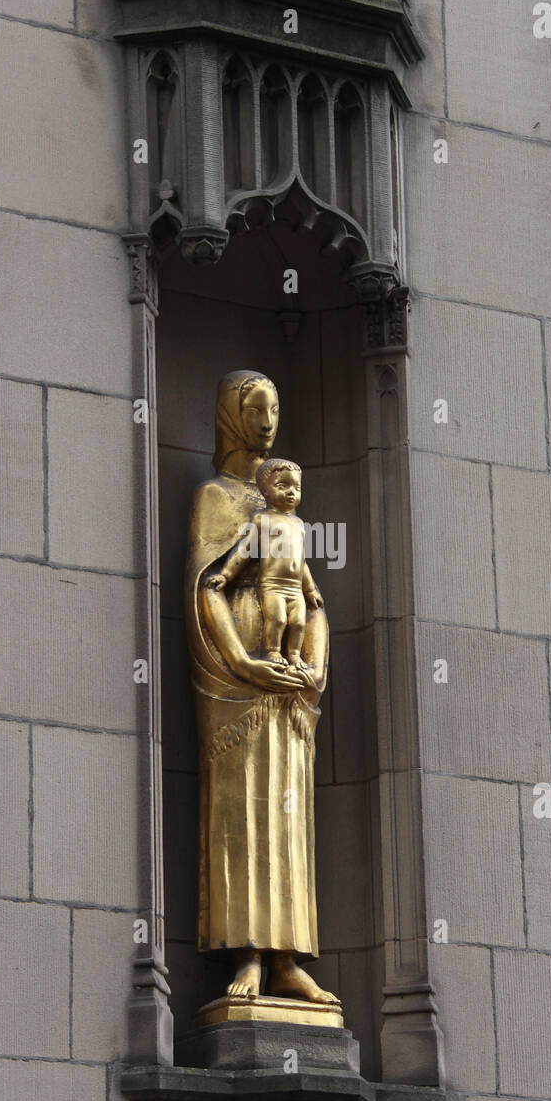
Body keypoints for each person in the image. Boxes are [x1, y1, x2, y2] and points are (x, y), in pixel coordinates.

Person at [184, 371, 339, 1005]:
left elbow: (316, 601)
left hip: (290, 688)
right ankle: (245, 954)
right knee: (241, 812)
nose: (267, 421)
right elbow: (205, 589)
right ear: (229, 416)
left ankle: (287, 959)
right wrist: (244, 664)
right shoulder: (215, 498)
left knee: (289, 814)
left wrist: (316, 666)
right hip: (236, 683)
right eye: (254, 409)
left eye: (275, 409)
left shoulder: (290, 517)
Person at [205, 458, 324, 671]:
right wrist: (226, 575)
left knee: (298, 622)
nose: (291, 492)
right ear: (265, 491)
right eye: (283, 486)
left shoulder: (298, 524)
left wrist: (311, 589)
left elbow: (302, 562)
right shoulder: (262, 520)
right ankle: (273, 651)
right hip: (273, 585)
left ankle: (295, 655)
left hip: (295, 587)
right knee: (277, 619)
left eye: (296, 488)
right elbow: (245, 550)